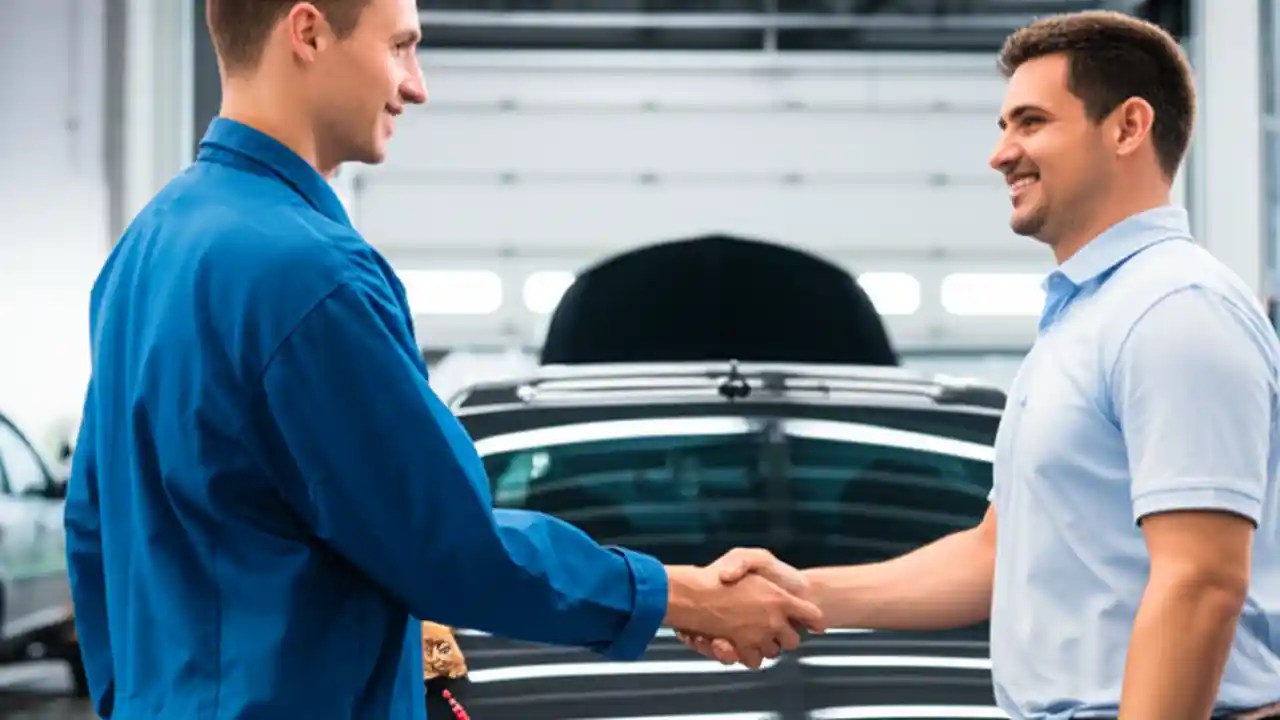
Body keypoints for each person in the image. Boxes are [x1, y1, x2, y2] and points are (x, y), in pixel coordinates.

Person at [62, 1, 823, 718]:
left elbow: (94, 530)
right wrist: (677, 595)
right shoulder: (308, 276)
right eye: (400, 46)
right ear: (308, 32)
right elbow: (447, 543)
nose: (415, 86)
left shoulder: (147, 248)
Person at [680, 10, 1280, 720]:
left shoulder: (1175, 309)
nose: (1001, 154)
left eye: (1031, 122)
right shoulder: (1089, 318)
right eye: (1004, 126)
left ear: (1128, 127)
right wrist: (801, 593)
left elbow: (1201, 580)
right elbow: (995, 553)